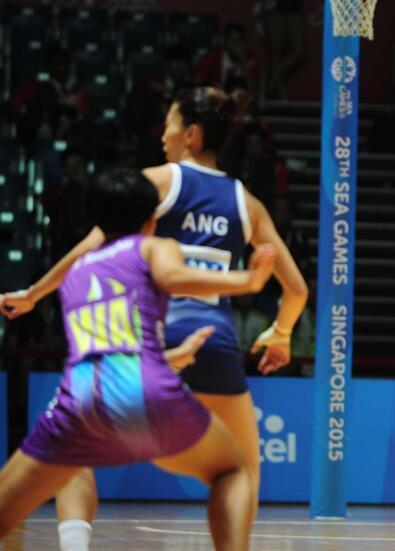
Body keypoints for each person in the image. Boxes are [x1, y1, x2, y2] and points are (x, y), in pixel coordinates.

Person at [1, 87, 308, 551]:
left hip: (133, 348)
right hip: (215, 340)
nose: (162, 134)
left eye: (168, 123)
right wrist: (280, 332)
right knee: (238, 471)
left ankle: (74, 542)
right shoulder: (248, 203)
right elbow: (298, 290)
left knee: (71, 451)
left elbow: (90, 248)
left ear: (190, 132)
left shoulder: (152, 187)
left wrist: (33, 292)